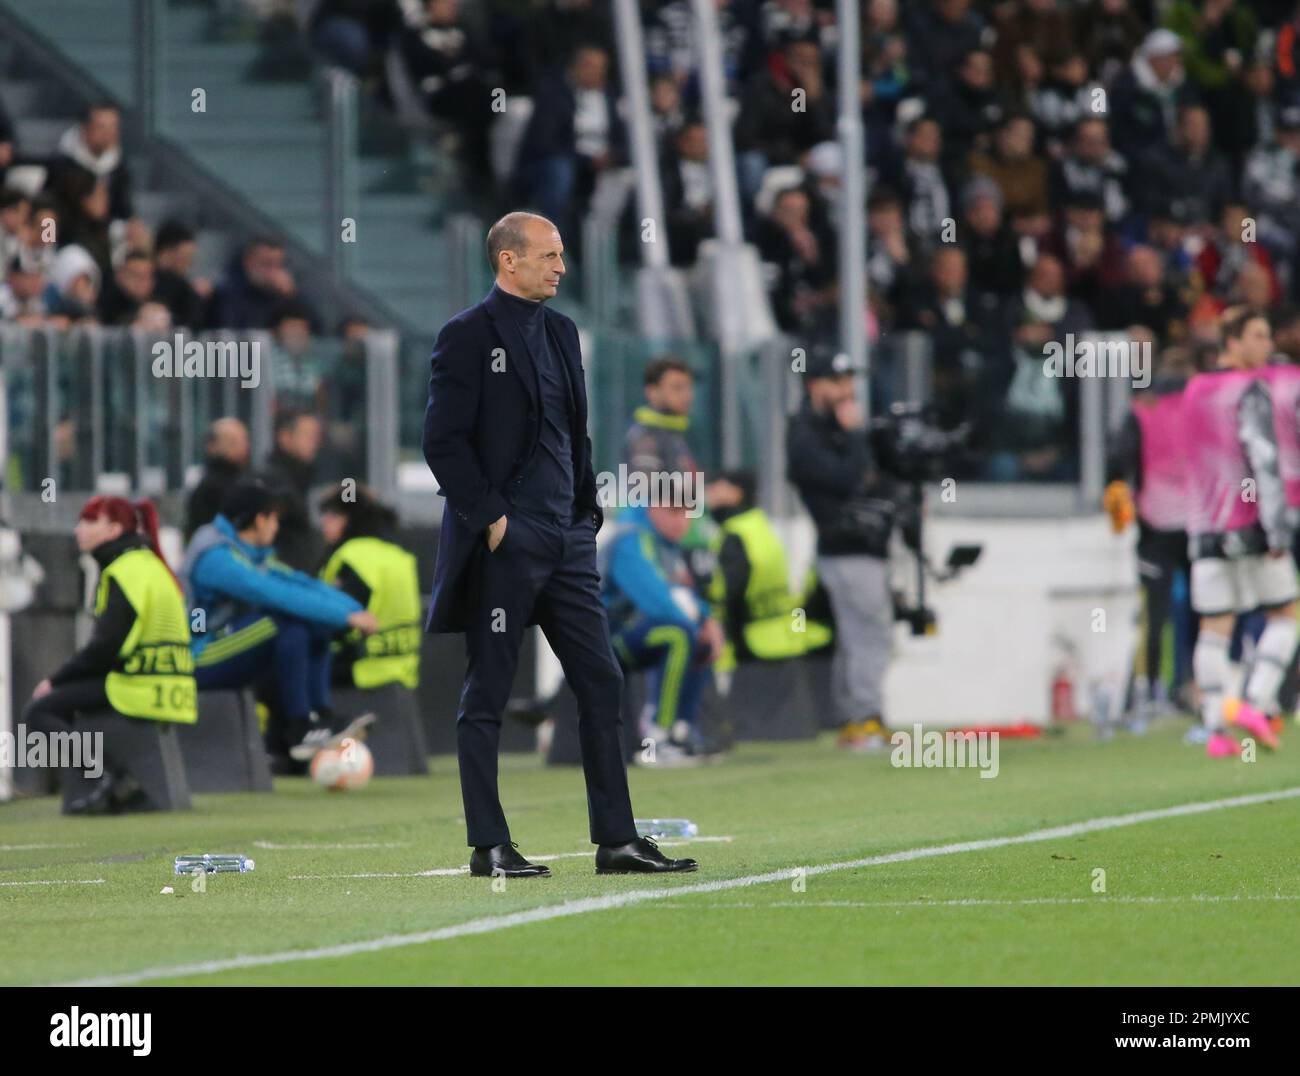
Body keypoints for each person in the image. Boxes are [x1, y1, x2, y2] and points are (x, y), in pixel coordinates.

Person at [422, 210, 696, 877]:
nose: (562, 266)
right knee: (486, 692)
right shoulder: (465, 337)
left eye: (562, 254)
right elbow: (443, 441)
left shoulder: (565, 332)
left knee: (602, 681)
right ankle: (489, 846)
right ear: (508, 261)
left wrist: (585, 514)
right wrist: (493, 521)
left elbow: (575, 432)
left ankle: (617, 840)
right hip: (507, 542)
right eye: (548, 254)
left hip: (568, 540)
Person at [180, 482, 378, 765]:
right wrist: (346, 617)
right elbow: (273, 593)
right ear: (259, 520)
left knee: (313, 623)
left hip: (227, 646)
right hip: (198, 656)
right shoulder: (216, 559)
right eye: (273, 518)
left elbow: (299, 582)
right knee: (284, 623)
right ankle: (299, 728)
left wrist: (354, 610)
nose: (276, 526)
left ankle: (320, 717)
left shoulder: (249, 553)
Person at [23, 496, 195, 814]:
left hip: (139, 687)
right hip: (175, 688)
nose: (79, 530)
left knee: (39, 710)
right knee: (68, 697)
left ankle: (110, 777)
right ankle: (108, 778)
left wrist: (55, 680)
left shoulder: (123, 572)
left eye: (89, 521)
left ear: (114, 529)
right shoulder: (150, 565)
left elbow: (104, 650)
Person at [1183, 309, 1292, 757]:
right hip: (1246, 524)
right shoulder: (1250, 389)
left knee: (1214, 628)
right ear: (1232, 340)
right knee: (1287, 615)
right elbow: (1263, 459)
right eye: (1258, 335)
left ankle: (1215, 732)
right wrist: (1276, 529)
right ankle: (1255, 701)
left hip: (1204, 528)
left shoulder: (1194, 390)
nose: (1267, 345)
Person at [786, 347, 898, 752]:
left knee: (862, 635)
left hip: (859, 548)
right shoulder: (804, 435)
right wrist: (854, 436)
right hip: (845, 548)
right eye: (838, 381)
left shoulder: (829, 428)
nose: (848, 389)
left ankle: (859, 718)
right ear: (816, 385)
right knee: (868, 634)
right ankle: (863, 719)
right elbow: (850, 479)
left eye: (849, 380)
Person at [1104, 347, 1196, 715]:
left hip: (1154, 525)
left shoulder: (1141, 412)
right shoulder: (1200, 411)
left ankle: (1144, 693)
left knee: (1152, 614)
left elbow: (1116, 462)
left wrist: (1116, 495)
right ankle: (1195, 688)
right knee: (1205, 612)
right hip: (1200, 524)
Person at [601, 500, 724, 761]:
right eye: (674, 512)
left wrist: (707, 620)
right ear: (653, 508)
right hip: (607, 638)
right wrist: (696, 625)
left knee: (698, 641)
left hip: (638, 633)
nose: (682, 521)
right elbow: (654, 599)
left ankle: (682, 731)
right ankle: (658, 738)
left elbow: (681, 595)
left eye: (686, 513)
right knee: (679, 635)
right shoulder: (630, 538)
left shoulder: (666, 544)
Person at [705, 470, 832, 671]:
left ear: (735, 493)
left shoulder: (736, 533)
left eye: (716, 487)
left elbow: (730, 594)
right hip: (783, 636)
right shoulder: (761, 524)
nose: (708, 493)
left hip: (752, 641)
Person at [318, 484, 422, 691]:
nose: (324, 522)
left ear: (351, 519)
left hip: (356, 671)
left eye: (333, 515)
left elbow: (337, 620)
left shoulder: (353, 556)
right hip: (401, 670)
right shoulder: (398, 555)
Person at [259, 410, 322, 572]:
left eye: (316, 436)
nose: (315, 443)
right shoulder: (274, 482)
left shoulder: (300, 478)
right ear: (285, 438)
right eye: (308, 435)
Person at [184, 418, 251, 539]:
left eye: (244, 440)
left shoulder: (248, 479)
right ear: (212, 446)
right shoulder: (209, 489)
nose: (242, 447)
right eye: (232, 442)